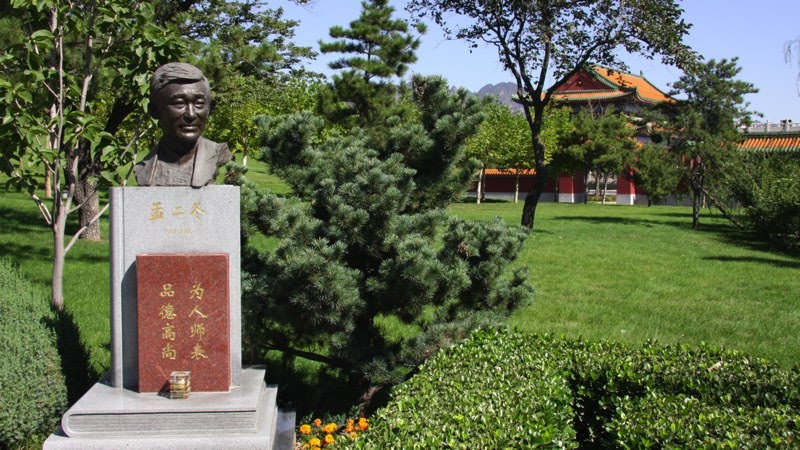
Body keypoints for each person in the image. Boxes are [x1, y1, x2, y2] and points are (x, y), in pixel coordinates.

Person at [134, 62, 232, 187]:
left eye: (199, 103)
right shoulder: (144, 169)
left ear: (209, 109)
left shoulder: (217, 152)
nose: (191, 115)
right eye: (179, 103)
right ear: (154, 110)